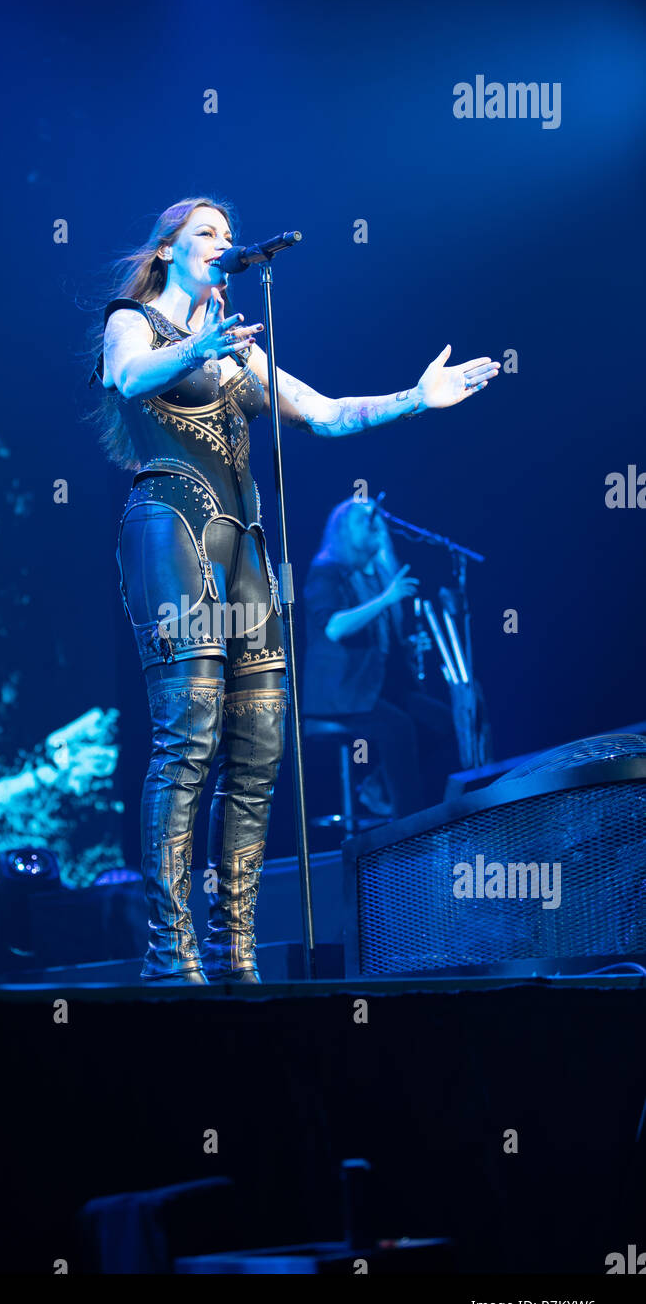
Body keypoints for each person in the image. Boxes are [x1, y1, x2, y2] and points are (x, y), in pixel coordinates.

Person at [87, 195, 499, 983]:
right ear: (169, 249)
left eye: (229, 235)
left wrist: (417, 399)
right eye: (207, 233)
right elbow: (129, 377)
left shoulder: (236, 351)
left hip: (245, 550)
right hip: (170, 531)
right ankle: (168, 954)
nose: (224, 244)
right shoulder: (131, 321)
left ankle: (232, 950)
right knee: (189, 735)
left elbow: (329, 414)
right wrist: (197, 347)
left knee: (260, 746)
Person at [303, 498, 459, 818]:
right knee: (398, 727)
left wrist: (410, 643)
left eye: (376, 518)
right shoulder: (328, 572)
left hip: (379, 687)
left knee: (444, 722)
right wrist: (386, 599)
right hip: (343, 692)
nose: (374, 523)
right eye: (364, 519)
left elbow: (381, 637)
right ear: (344, 530)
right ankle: (407, 826)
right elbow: (334, 628)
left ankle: (377, 786)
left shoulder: (380, 573)